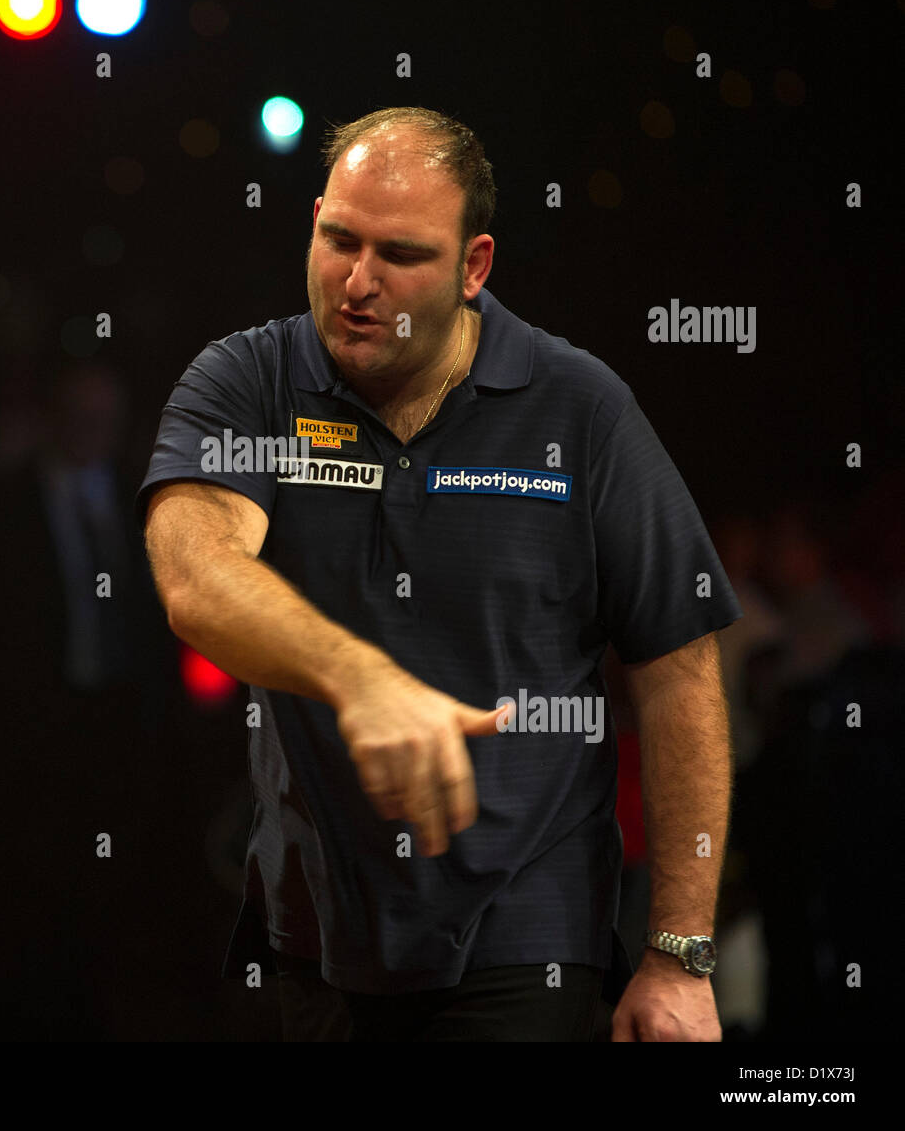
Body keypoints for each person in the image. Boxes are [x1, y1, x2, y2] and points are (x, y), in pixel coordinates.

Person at [135, 106, 741, 1041]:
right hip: (314, 929)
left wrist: (681, 953)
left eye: (402, 255)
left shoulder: (580, 405)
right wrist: (362, 677)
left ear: (473, 266)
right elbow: (196, 574)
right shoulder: (246, 380)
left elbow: (680, 668)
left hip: (529, 931)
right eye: (338, 239)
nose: (358, 282)